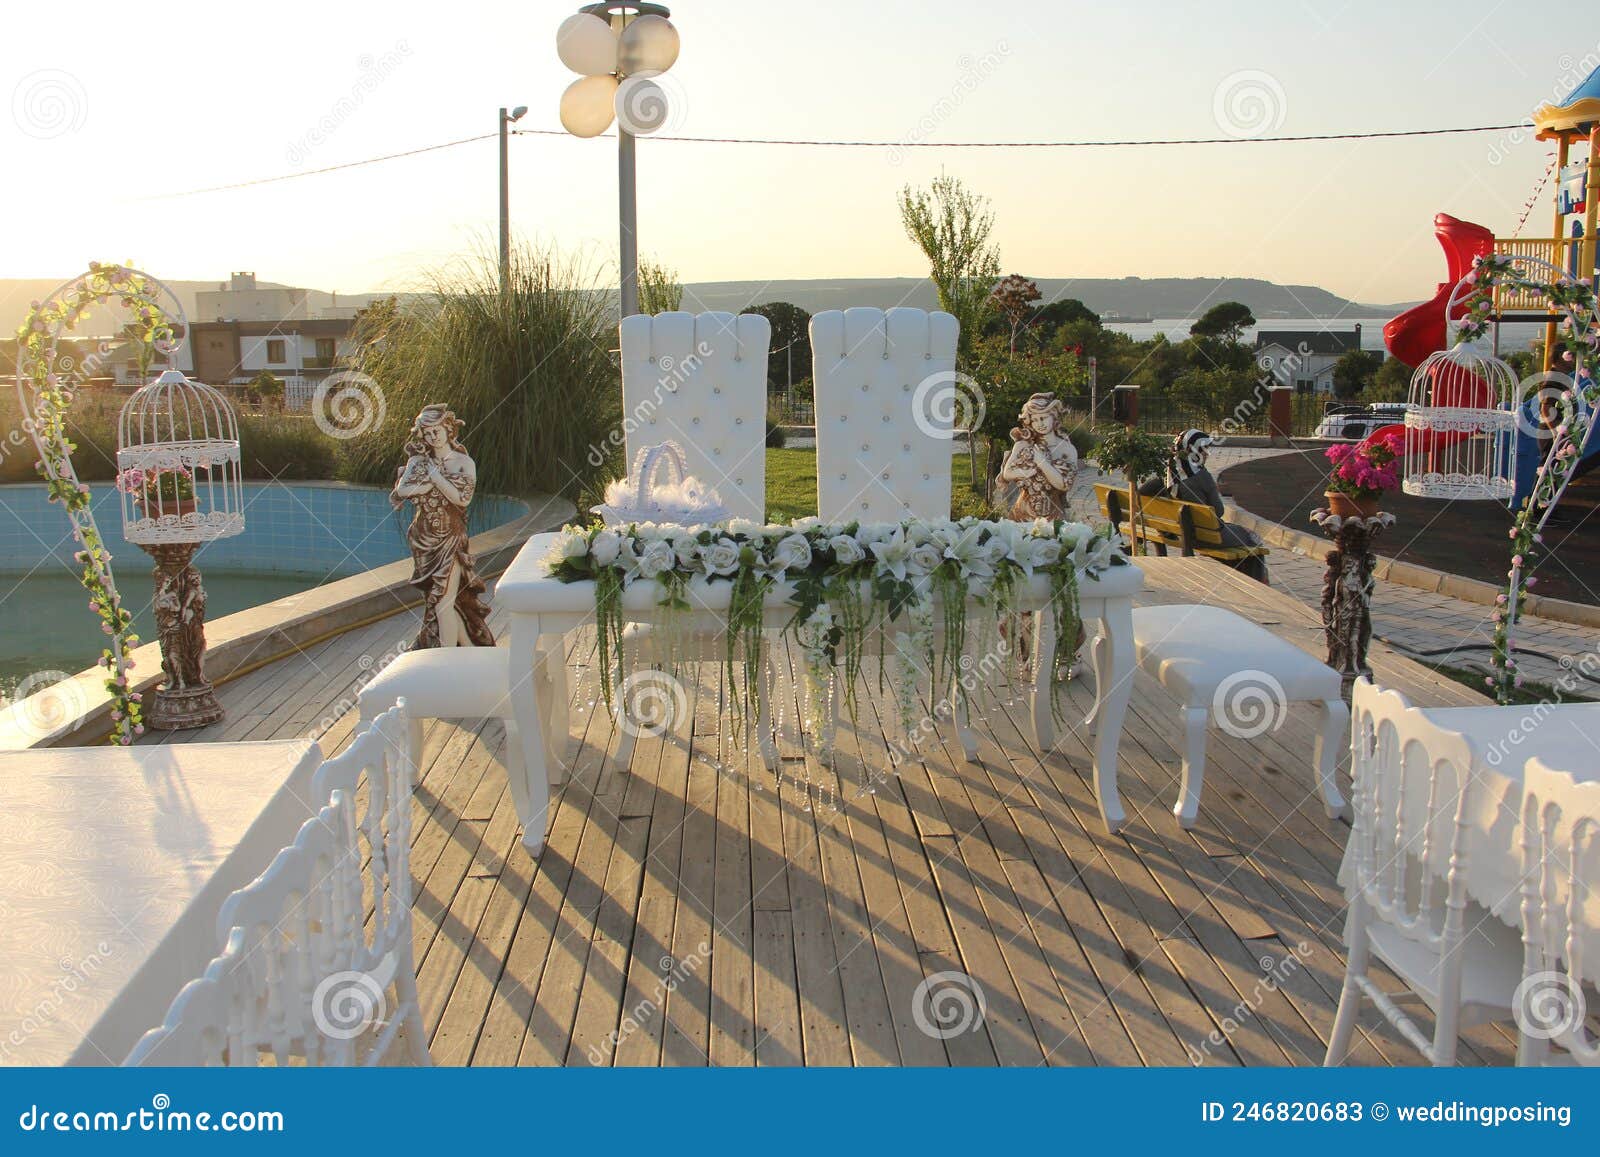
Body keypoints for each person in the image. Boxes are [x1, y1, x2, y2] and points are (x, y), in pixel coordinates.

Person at [391, 404, 496, 648]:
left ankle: (447, 658)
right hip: (424, 538)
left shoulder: (463, 462)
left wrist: (434, 478)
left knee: (444, 601)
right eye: (426, 433)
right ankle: (467, 650)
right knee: (442, 601)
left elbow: (463, 498)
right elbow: (402, 489)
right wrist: (428, 484)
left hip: (450, 537)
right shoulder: (418, 461)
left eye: (436, 430)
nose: (432, 437)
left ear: (448, 428)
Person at [1141, 428, 1269, 583]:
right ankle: (1257, 582)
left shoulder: (1169, 471)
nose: (1207, 454)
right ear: (1195, 450)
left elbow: (1141, 493)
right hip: (1208, 536)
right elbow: (1219, 511)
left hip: (1184, 533)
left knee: (1237, 536)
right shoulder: (1202, 476)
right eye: (1204, 450)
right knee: (1252, 537)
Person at [997, 392, 1079, 520]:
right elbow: (1007, 473)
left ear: (1054, 417)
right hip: (1022, 514)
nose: (1040, 423)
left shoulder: (1067, 449)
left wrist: (1041, 462)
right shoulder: (1023, 445)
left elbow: (1064, 484)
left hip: (1053, 515)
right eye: (1034, 420)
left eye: (1043, 418)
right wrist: (1029, 471)